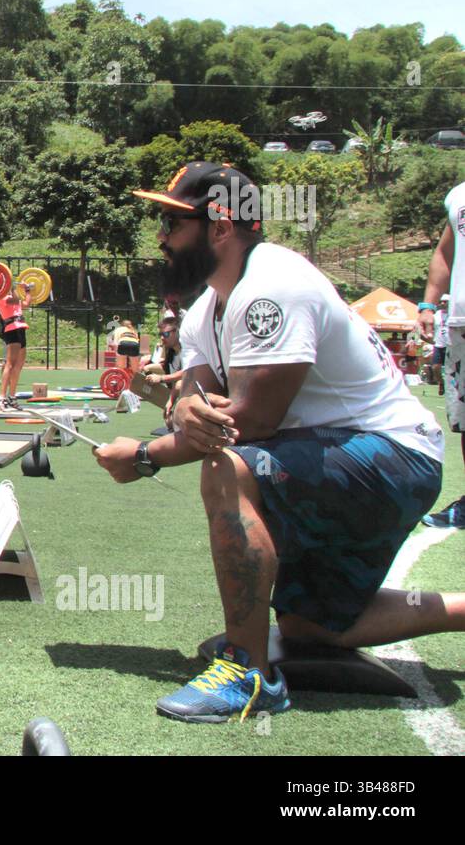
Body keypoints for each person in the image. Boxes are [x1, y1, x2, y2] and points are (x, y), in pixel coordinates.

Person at [93, 161, 458, 724]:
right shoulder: (202, 316)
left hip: (395, 455)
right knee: (311, 627)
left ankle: (248, 672)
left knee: (229, 467)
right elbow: (197, 409)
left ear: (219, 226)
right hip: (345, 455)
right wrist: (170, 400)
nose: (160, 238)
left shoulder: (273, 286)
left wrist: (143, 456)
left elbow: (249, 424)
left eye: (171, 223)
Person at [419, 180, 465, 526]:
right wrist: (428, 304)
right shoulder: (458, 195)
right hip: (461, 324)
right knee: (464, 420)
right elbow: (445, 253)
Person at [0, 280, 30, 411]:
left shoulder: (12, 298)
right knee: (9, 364)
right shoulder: (0, 297)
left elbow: (26, 303)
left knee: (18, 366)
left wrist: (27, 290)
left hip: (20, 328)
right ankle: (2, 397)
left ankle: (12, 397)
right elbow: (15, 300)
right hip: (11, 329)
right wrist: (14, 287)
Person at [431, 295, 449, 394]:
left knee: (452, 369)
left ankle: (453, 387)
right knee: (435, 367)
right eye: (441, 301)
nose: (442, 303)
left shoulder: (453, 314)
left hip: (450, 345)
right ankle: (441, 382)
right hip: (438, 344)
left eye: (445, 301)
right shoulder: (436, 315)